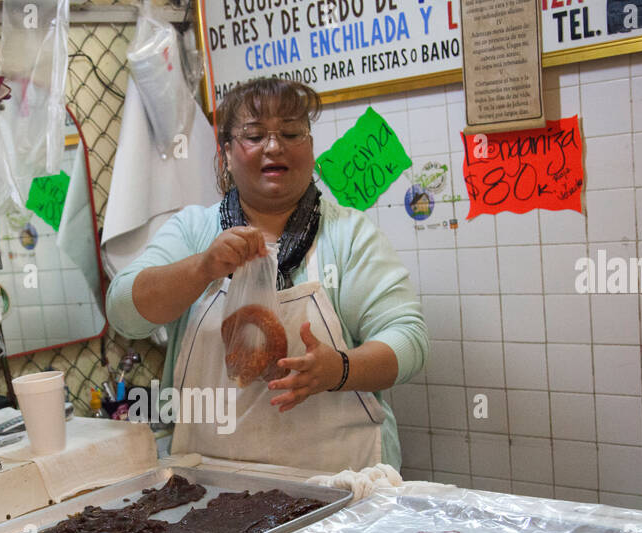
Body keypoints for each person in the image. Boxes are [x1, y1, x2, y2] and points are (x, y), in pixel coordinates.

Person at [106, 77, 427, 473]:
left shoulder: (348, 236)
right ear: (225, 153)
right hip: (211, 484)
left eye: (291, 132)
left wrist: (339, 369)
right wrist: (202, 267)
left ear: (310, 148)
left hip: (341, 485)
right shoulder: (194, 232)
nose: (274, 146)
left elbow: (409, 340)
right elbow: (124, 311)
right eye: (254, 135)